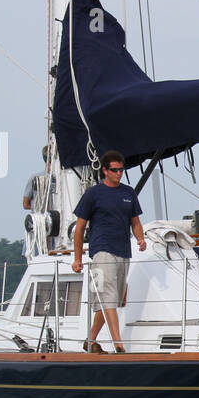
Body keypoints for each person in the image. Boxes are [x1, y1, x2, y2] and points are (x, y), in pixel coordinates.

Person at [71, 151, 145, 354]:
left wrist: (140, 238)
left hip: (123, 250)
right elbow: (79, 228)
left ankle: (90, 339)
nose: (119, 173)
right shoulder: (93, 194)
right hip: (101, 250)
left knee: (112, 299)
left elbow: (135, 221)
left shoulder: (128, 193)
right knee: (108, 297)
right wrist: (77, 259)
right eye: (115, 170)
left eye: (121, 169)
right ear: (105, 170)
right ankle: (119, 344)